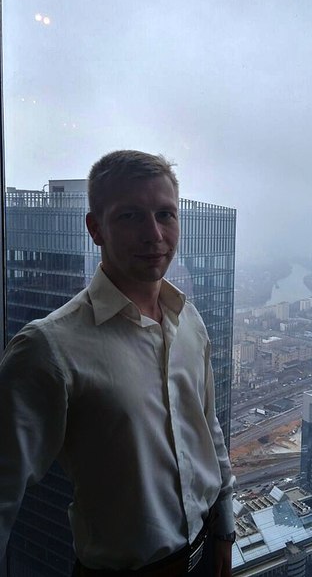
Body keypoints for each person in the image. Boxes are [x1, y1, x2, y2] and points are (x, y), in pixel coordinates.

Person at [0, 150, 236, 576]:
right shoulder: (50, 347)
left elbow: (207, 427)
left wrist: (225, 526)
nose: (154, 234)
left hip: (206, 555)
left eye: (165, 215)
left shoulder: (189, 320)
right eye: (130, 216)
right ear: (95, 229)